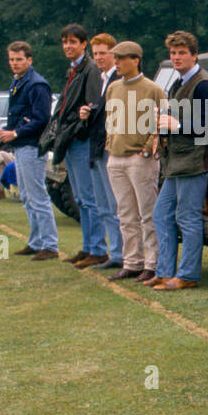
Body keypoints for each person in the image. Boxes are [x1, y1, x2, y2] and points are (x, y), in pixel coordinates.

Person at [148, 30, 208, 291]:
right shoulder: (178, 83)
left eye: (182, 52)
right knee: (160, 214)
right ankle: (165, 272)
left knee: (187, 218)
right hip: (176, 164)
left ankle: (188, 275)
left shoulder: (204, 84)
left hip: (196, 162)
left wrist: (176, 125)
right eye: (173, 53)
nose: (177, 57)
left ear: (194, 55)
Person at [104, 42, 164, 282]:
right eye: (115, 58)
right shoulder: (113, 88)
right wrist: (110, 144)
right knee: (125, 214)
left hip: (140, 160)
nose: (116, 63)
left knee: (147, 213)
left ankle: (152, 263)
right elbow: (110, 117)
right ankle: (132, 261)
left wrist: (147, 149)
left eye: (121, 58)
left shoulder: (153, 89)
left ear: (136, 59)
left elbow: (160, 121)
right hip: (116, 157)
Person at [47, 24, 106, 268]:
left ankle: (98, 249)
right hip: (70, 141)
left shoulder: (90, 70)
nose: (67, 46)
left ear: (84, 44)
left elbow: (92, 108)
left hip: (81, 141)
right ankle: (88, 247)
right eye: (64, 42)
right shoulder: (73, 70)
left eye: (72, 41)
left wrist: (78, 132)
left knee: (89, 198)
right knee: (80, 198)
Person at [0, 42, 57, 260]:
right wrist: (8, 131)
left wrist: (16, 133)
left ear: (29, 60)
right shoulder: (18, 82)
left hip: (32, 146)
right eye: (11, 59)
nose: (14, 63)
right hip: (21, 145)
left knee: (37, 195)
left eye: (19, 59)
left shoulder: (37, 85)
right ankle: (36, 241)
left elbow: (41, 119)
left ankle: (50, 245)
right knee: (27, 196)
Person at [81, 33, 124, 270]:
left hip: (110, 148)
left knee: (115, 205)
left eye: (103, 53)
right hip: (97, 147)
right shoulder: (101, 79)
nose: (98, 58)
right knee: (103, 205)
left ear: (113, 54)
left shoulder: (118, 79)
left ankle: (121, 253)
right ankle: (115, 252)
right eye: (95, 53)